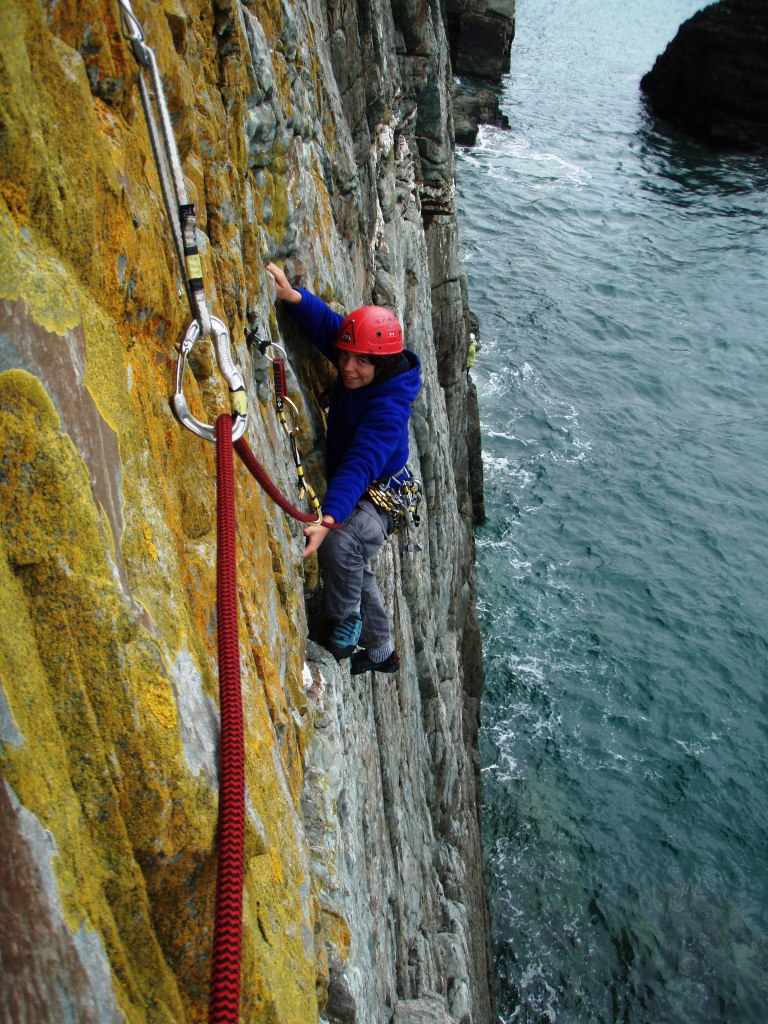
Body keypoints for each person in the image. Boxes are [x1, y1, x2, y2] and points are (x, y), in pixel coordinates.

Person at [266, 262, 422, 675]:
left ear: (383, 366)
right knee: (353, 563)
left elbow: (360, 462)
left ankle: (341, 625)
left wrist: (329, 519)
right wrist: (293, 297)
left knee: (341, 546)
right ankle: (380, 649)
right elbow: (330, 329)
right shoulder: (359, 359)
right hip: (363, 483)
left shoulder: (389, 408)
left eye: (361, 363)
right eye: (345, 357)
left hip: (381, 494)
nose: (348, 368)